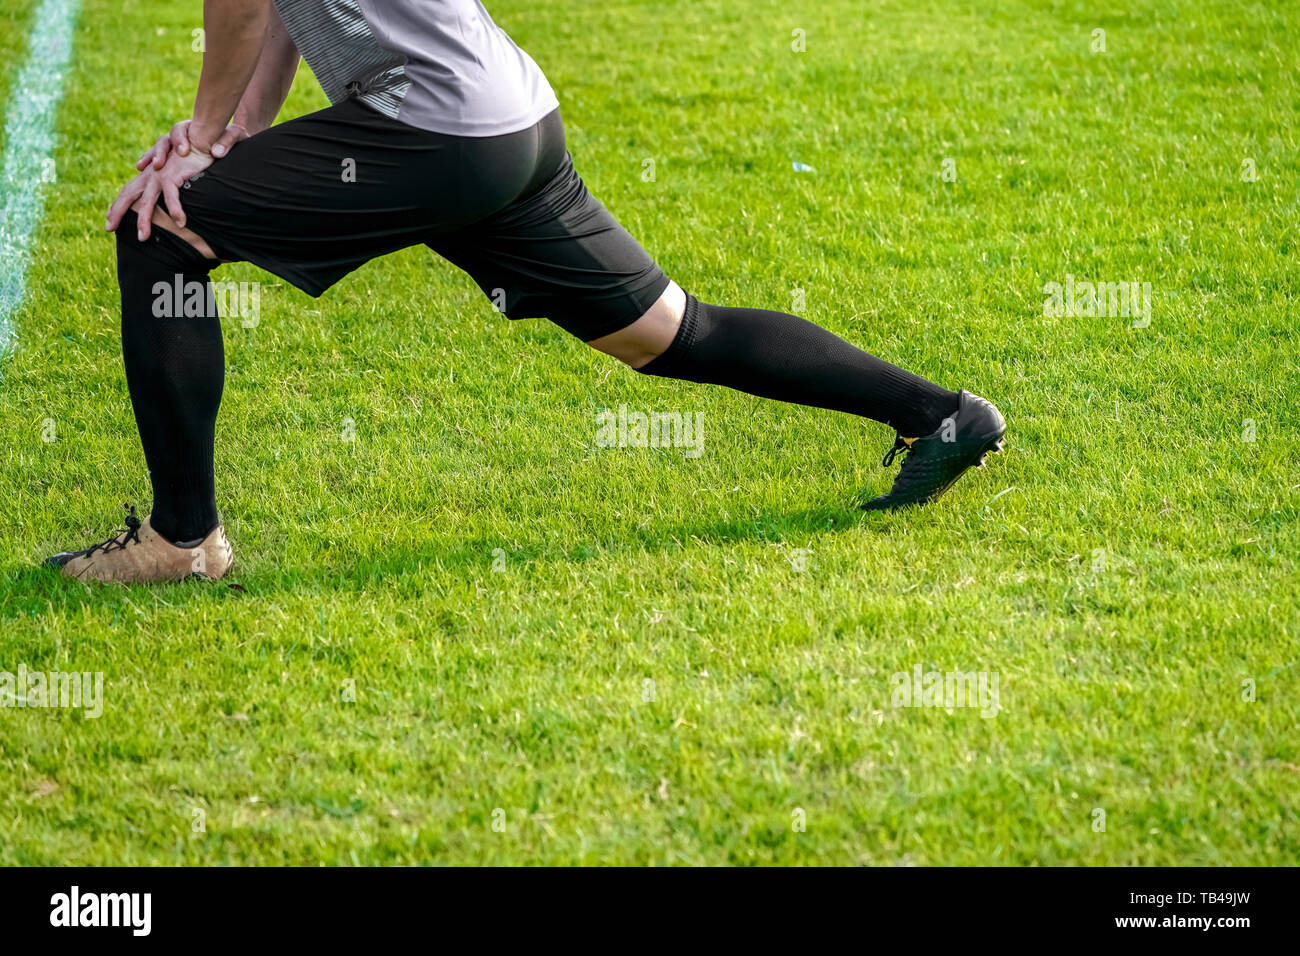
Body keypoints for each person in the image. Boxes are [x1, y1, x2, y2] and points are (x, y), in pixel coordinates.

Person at [48, 0, 1005, 583]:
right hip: (509, 120)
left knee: (160, 234)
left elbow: (246, 6)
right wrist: (236, 128)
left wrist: (211, 134)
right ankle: (944, 415)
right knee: (670, 333)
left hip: (433, 131)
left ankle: (182, 540)